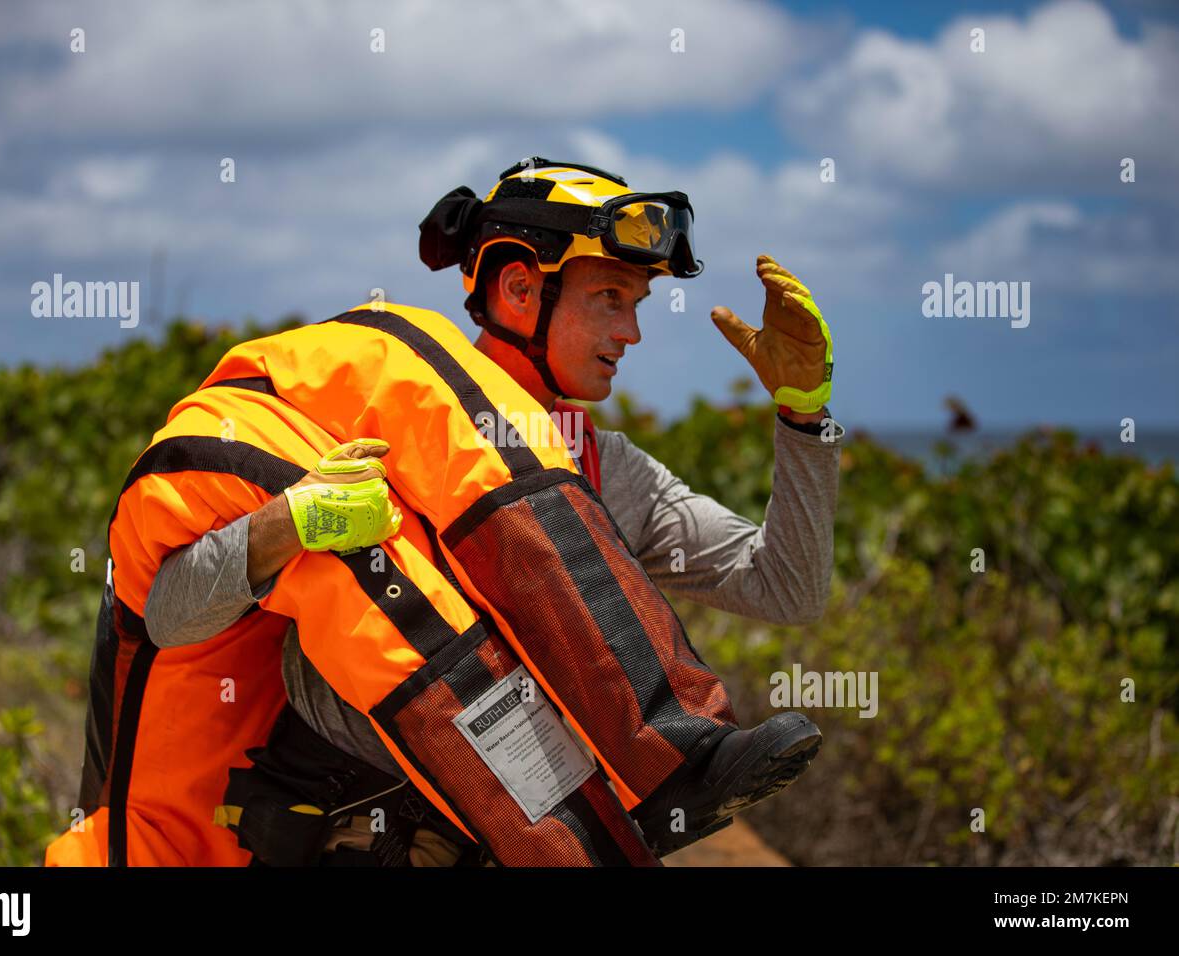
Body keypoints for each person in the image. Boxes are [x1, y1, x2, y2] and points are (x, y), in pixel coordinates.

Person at [139, 157, 844, 864]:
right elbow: (168, 615)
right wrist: (285, 525)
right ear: (517, 288)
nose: (632, 333)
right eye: (609, 297)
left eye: (637, 305)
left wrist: (805, 418)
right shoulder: (360, 435)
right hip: (345, 832)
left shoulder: (606, 469)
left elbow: (788, 587)